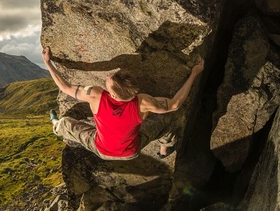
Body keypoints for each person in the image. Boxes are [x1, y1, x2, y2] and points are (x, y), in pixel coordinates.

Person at [41, 46, 204, 161]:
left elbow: (66, 87)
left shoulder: (96, 96)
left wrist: (48, 63)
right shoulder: (142, 102)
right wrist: (194, 74)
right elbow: (175, 104)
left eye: (108, 80)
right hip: (131, 152)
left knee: (66, 124)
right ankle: (165, 147)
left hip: (102, 149)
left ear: (112, 94)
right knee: (168, 121)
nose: (107, 78)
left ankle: (56, 124)